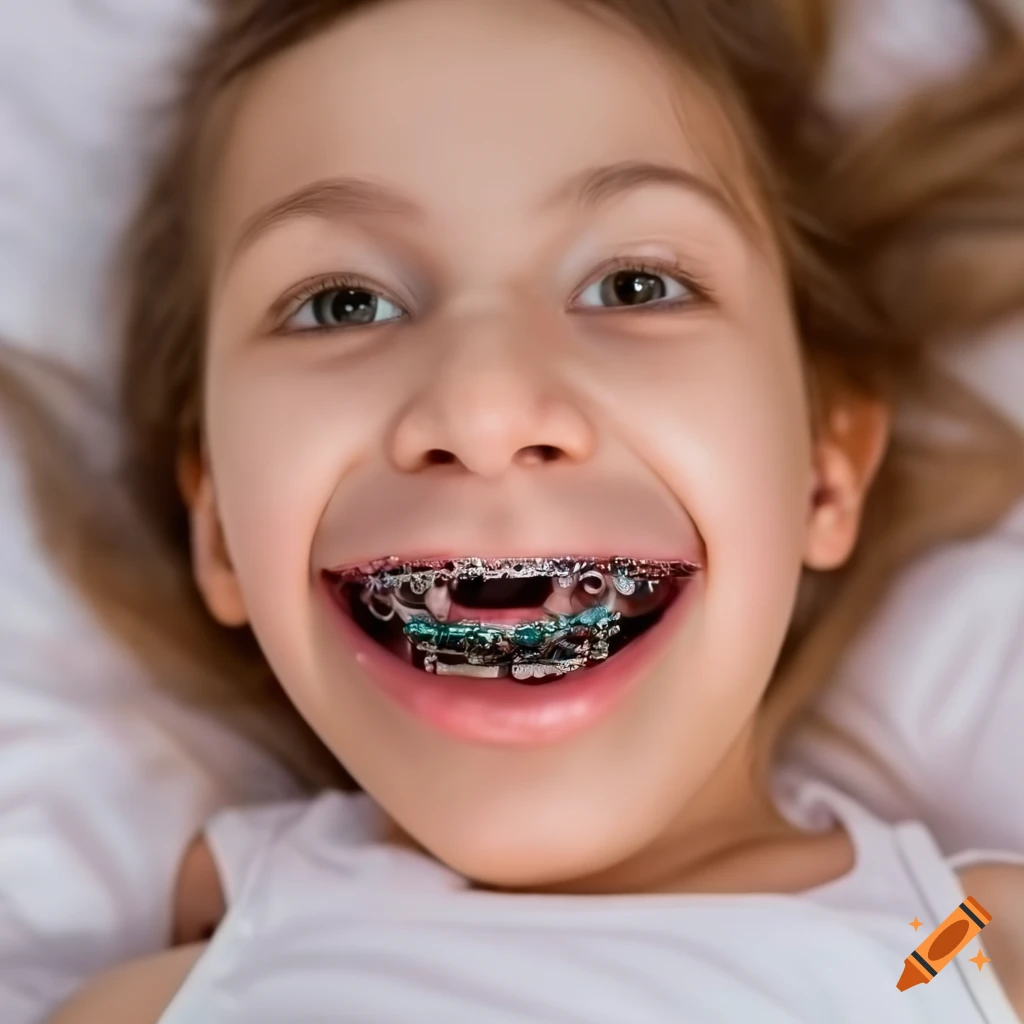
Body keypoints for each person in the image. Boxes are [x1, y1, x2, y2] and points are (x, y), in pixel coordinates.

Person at [38, 0, 1024, 1019]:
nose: (485, 408)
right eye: (343, 304)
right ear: (219, 532)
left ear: (823, 470)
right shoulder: (194, 983)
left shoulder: (958, 941)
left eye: (634, 286)